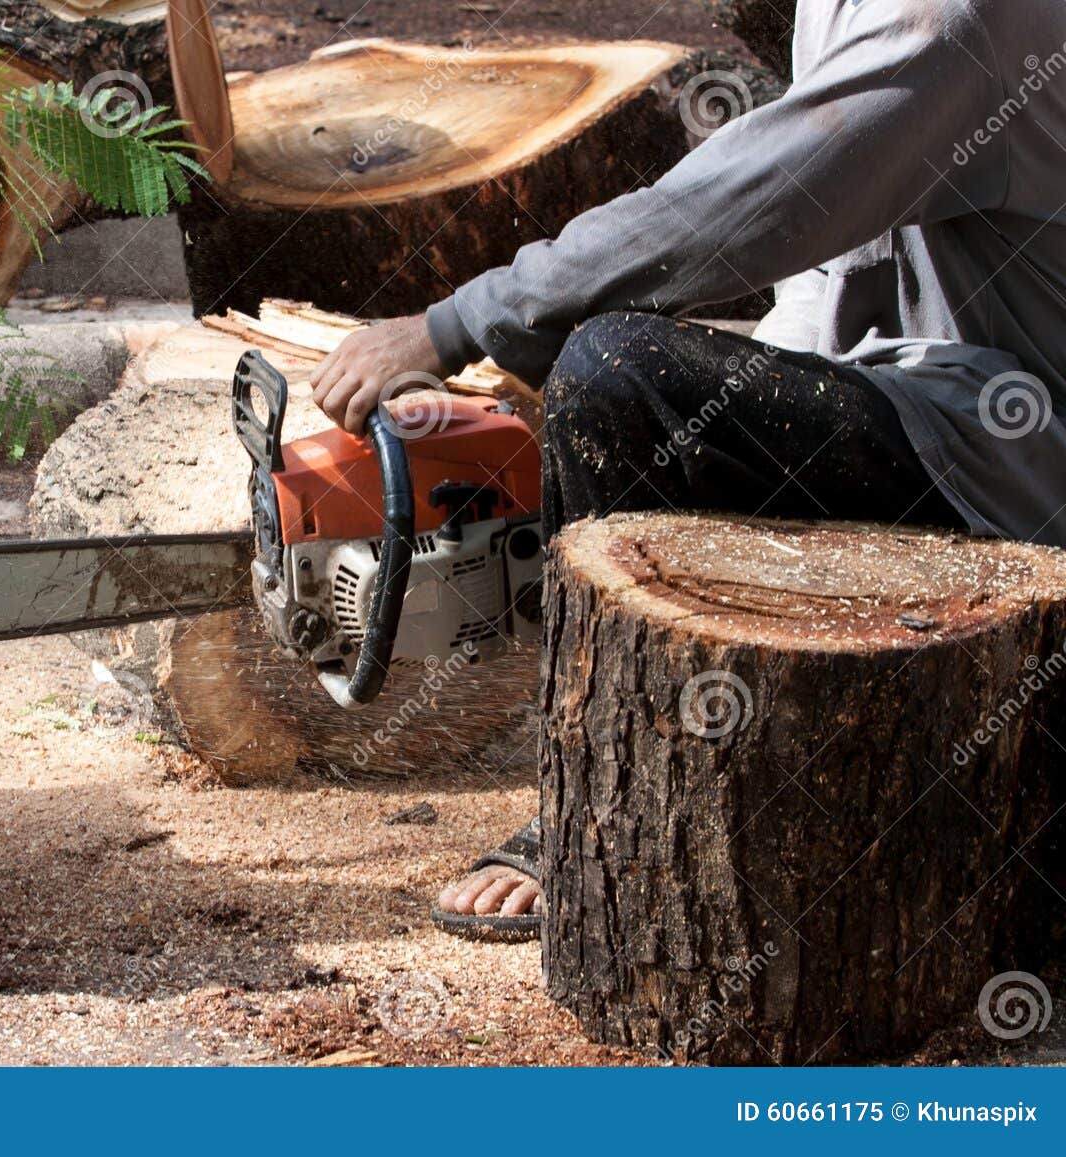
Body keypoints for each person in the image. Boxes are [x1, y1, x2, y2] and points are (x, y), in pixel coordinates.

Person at [309, 0, 1066, 942]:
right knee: (651, 382)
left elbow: (756, 200)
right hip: (945, 408)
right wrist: (734, 426)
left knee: (619, 376)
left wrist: (459, 323)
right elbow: (824, 264)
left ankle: (595, 821)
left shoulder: (963, 18)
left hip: (1028, 456)